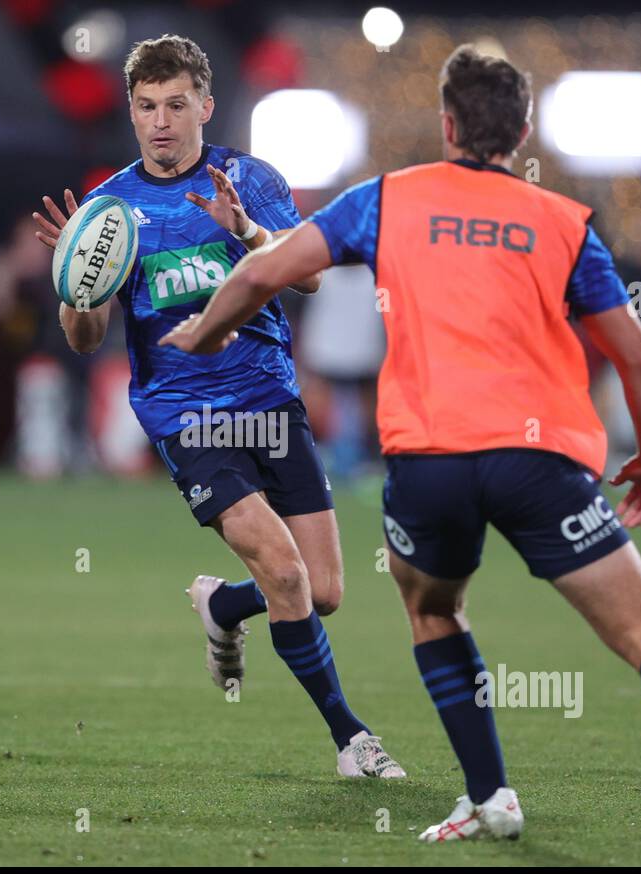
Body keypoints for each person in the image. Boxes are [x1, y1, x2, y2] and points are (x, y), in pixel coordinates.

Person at [161, 45, 641, 852]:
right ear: (523, 131)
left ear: (446, 124)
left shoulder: (386, 200)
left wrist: (206, 328)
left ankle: (490, 796)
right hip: (543, 459)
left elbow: (271, 269)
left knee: (434, 609)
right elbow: (640, 359)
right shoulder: (562, 222)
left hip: (429, 461)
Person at [33, 34, 403, 778]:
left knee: (323, 590)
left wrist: (249, 233)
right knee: (288, 577)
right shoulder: (110, 210)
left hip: (269, 399)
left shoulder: (251, 178)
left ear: (205, 104)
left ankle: (225, 607)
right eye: (145, 107)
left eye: (175, 105)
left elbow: (310, 280)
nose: (160, 121)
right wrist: (78, 286)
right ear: (131, 112)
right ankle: (352, 740)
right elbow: (85, 339)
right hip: (186, 414)